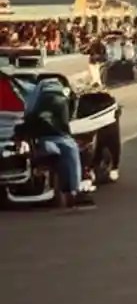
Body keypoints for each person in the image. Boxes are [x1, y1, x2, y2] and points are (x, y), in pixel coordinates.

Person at [21, 78, 93, 209]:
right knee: (70, 149)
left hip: (49, 139)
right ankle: (74, 191)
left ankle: (74, 190)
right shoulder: (48, 105)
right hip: (48, 140)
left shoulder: (35, 104)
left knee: (71, 149)